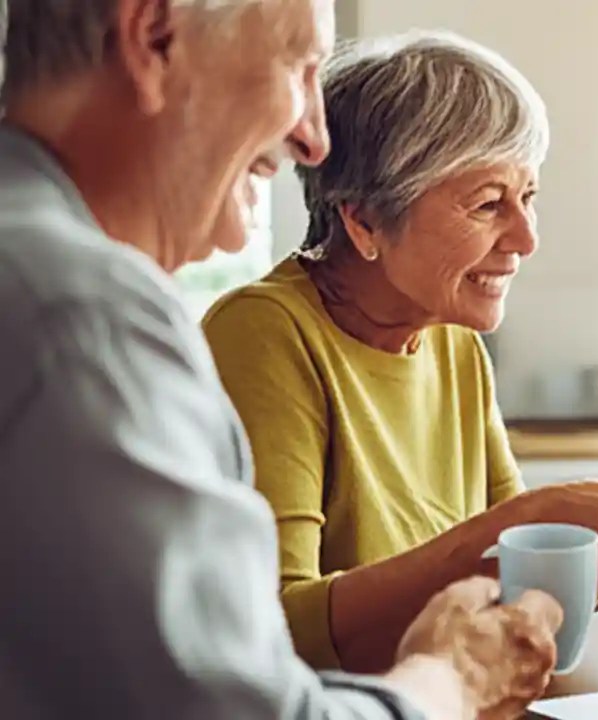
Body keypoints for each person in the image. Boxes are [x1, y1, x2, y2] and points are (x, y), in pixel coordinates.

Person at [0, 2, 564, 718]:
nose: (312, 138)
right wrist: (450, 681)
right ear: (155, 39)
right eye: (299, 69)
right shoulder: (83, 321)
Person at [202, 29, 598, 673]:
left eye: (528, 197)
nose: (527, 238)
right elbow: (272, 630)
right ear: (363, 220)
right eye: (488, 203)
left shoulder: (455, 344)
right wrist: (542, 510)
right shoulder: (264, 332)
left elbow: (516, 608)